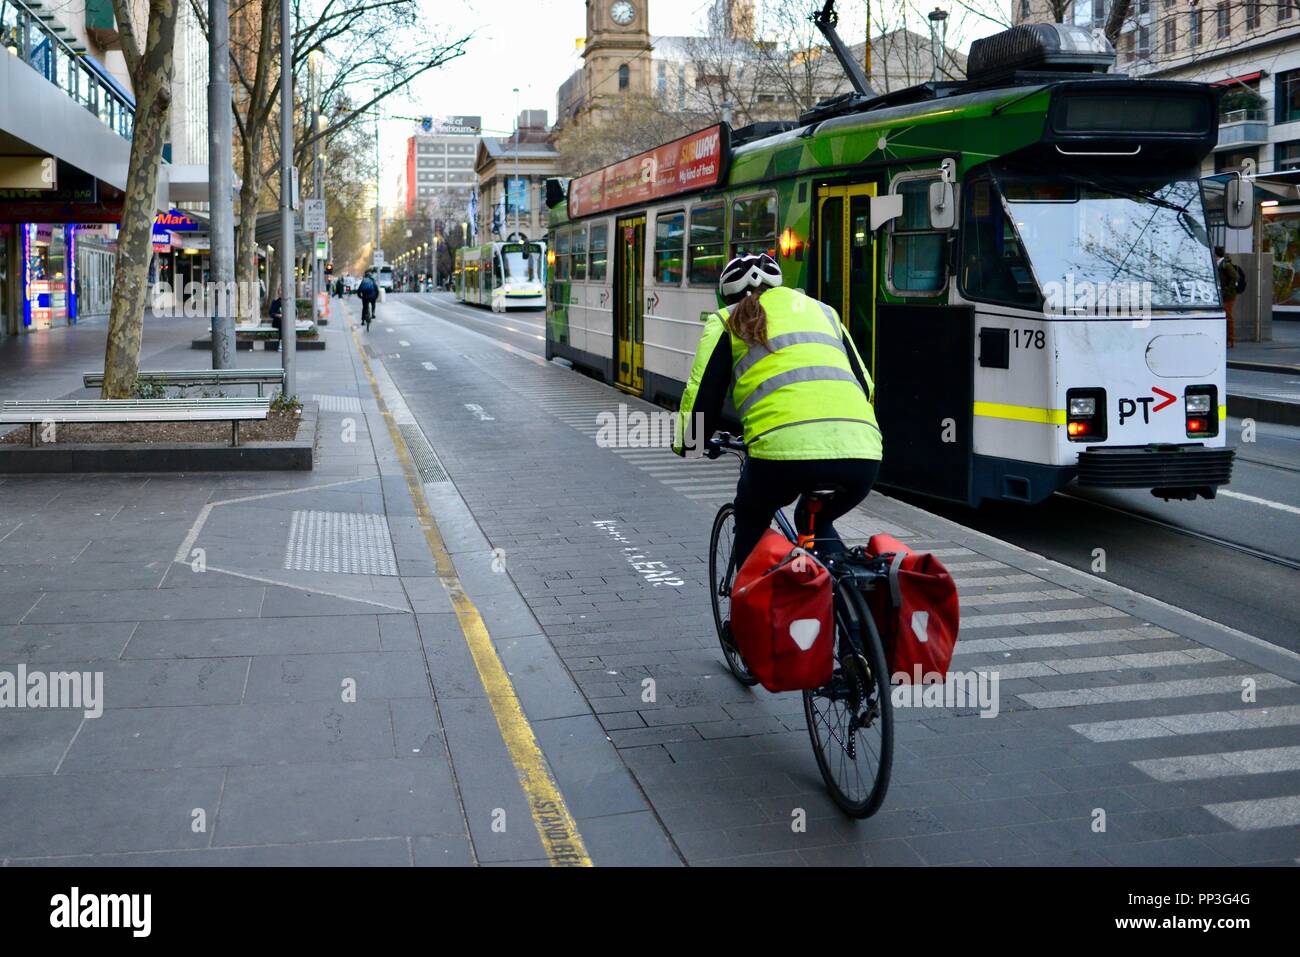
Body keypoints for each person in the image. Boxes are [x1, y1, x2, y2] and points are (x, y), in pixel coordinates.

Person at [674, 253, 883, 568]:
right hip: (863, 455)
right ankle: (849, 599)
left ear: (726, 296)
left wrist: (690, 443)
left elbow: (702, 394)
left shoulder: (726, 320)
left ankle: (744, 609)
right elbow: (865, 387)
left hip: (782, 457)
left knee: (752, 516)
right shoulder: (825, 312)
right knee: (814, 518)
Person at [1216, 246, 1246, 349]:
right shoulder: (1219, 264)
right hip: (1222, 294)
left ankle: (1230, 340)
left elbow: (1235, 277)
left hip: (1228, 295)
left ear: (1215, 254)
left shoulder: (1226, 265)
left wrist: (1227, 290)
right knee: (1224, 317)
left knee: (1228, 317)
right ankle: (1224, 338)